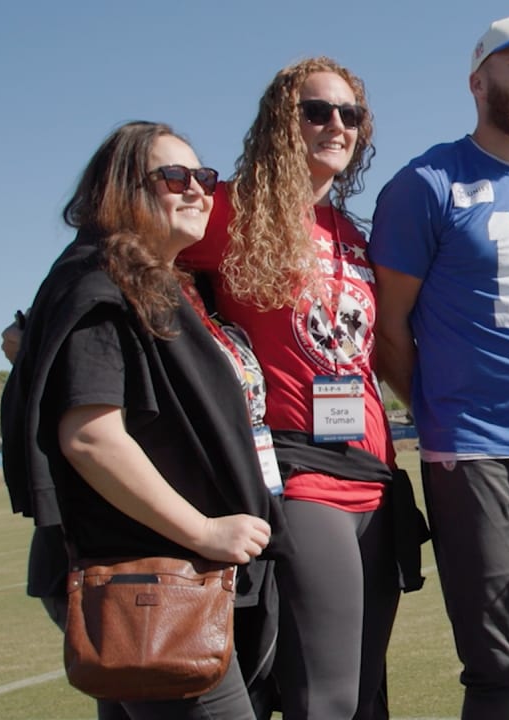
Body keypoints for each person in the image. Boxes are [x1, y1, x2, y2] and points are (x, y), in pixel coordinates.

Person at [0, 120, 286, 720]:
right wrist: (205, 532)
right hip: (149, 579)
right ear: (122, 187)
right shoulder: (100, 283)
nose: (197, 190)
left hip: (161, 577)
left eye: (204, 177)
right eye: (174, 176)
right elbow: (91, 437)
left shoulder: (154, 280)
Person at [178, 56, 426, 720]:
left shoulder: (354, 234)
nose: (336, 125)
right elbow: (128, 259)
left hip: (376, 473)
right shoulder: (227, 209)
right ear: (279, 123)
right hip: (296, 472)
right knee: (328, 698)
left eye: (350, 114)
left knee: (367, 693)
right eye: (316, 111)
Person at [369, 15, 509, 720]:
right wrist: (443, 411)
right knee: (497, 661)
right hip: (473, 453)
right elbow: (390, 330)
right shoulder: (425, 184)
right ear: (478, 82)